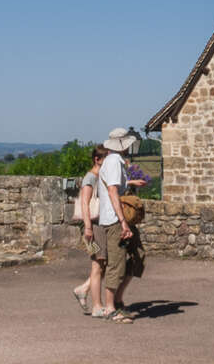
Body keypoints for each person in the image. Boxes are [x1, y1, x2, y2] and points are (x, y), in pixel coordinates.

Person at [83, 128, 140, 322]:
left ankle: (109, 303)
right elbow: (112, 191)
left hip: (105, 221)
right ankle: (108, 307)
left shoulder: (111, 162)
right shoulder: (111, 164)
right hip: (107, 222)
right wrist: (123, 221)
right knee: (105, 263)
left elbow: (112, 186)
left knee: (125, 260)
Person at [71, 147, 108, 314]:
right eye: (105, 158)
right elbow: (85, 203)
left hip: (96, 226)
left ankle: (83, 289)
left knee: (101, 263)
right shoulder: (90, 178)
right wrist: (87, 227)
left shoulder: (99, 177)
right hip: (92, 226)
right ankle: (97, 306)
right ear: (97, 159)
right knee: (97, 263)